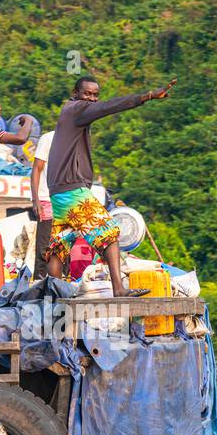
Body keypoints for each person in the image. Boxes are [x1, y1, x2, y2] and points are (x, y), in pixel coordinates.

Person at [45, 75, 176, 293]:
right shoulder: (77, 109)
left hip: (58, 193)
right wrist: (148, 96)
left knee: (59, 246)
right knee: (110, 233)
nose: (92, 99)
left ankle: (53, 296)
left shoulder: (71, 112)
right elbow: (109, 107)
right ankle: (118, 289)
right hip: (72, 190)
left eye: (95, 95)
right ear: (76, 93)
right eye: (87, 93)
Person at [29, 129, 55, 264]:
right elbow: (36, 169)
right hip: (47, 199)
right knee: (43, 250)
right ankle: (40, 282)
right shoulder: (48, 138)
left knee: (65, 250)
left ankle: (63, 284)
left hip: (67, 200)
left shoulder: (76, 139)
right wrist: (36, 200)